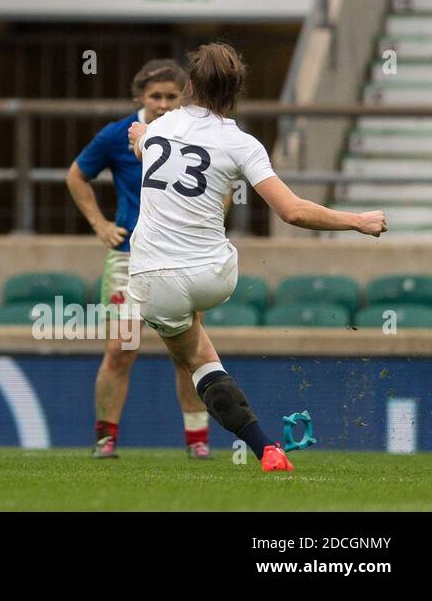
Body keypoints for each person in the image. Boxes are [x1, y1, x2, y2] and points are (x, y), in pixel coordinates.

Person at [127, 42, 387, 472]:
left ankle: (265, 446)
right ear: (237, 91)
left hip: (155, 277)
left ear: (189, 86)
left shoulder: (158, 128)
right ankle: (268, 448)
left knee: (198, 362)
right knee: (205, 349)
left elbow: (148, 145)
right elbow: (292, 211)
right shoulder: (240, 142)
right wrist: (357, 220)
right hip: (216, 274)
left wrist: (141, 138)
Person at [68, 59, 213, 459]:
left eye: (171, 96)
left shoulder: (194, 134)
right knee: (121, 348)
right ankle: (105, 438)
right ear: (140, 97)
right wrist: (99, 224)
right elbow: (77, 175)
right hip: (130, 257)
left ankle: (197, 440)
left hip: (179, 256)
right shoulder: (118, 135)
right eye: (155, 97)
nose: (164, 104)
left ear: (184, 97)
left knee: (188, 352)